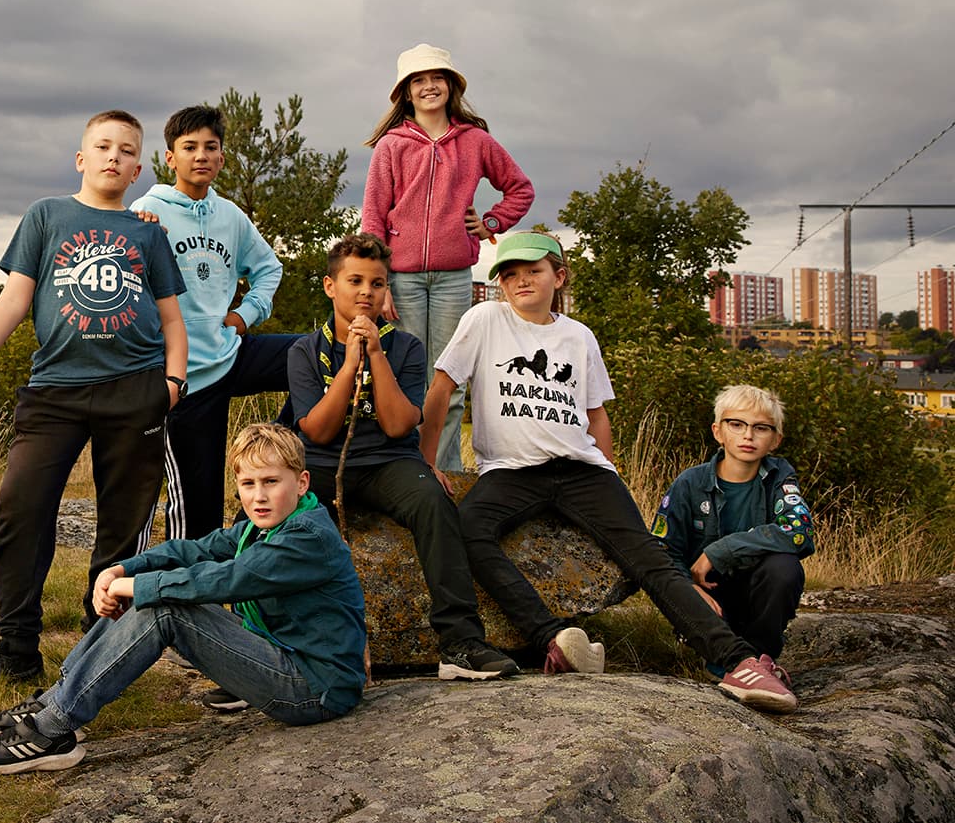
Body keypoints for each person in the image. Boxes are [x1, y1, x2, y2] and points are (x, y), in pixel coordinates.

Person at [423, 232, 799, 713]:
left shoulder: (578, 336)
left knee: (648, 558)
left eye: (533, 271)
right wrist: (427, 461)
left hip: (584, 471)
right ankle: (554, 637)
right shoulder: (485, 319)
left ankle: (738, 662)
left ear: (559, 277)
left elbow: (596, 412)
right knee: (467, 528)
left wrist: (611, 472)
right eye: (510, 274)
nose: (521, 281)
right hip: (511, 472)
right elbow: (443, 387)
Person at [0, 110, 189, 689]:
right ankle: (16, 649)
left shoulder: (148, 233)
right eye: (102, 146)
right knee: (19, 511)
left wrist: (173, 384)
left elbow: (171, 320)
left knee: (122, 526)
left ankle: (98, 647)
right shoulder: (46, 215)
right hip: (54, 390)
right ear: (81, 158)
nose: (113, 156)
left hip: (135, 392)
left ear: (137, 170)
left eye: (125, 150)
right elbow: (14, 298)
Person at [0, 424, 367, 775]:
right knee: (157, 593)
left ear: (301, 483)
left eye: (271, 482)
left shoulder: (306, 538)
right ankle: (58, 701)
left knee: (166, 608)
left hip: (314, 690)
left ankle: (52, 730)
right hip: (286, 660)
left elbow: (225, 579)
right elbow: (196, 550)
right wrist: (123, 569)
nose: (259, 496)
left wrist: (133, 587)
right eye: (248, 484)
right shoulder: (262, 527)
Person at [286, 232, 518, 683]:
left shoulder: (406, 347)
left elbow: (398, 425)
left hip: (388, 463)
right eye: (355, 281)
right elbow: (317, 430)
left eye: (377, 283)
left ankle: (460, 642)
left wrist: (375, 354)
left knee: (434, 502)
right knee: (264, 515)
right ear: (330, 286)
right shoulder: (305, 350)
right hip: (322, 464)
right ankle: (256, 647)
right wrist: (349, 366)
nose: (366, 293)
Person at [130, 103, 301, 541]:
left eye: (210, 147)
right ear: (170, 158)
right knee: (198, 508)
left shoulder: (230, 216)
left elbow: (269, 268)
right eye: (190, 147)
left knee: (317, 356)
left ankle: (277, 450)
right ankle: (194, 580)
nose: (201, 155)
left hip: (229, 351)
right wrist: (141, 234)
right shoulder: (148, 210)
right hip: (183, 376)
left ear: (222, 158)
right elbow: (129, 281)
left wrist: (244, 316)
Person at [361, 43, 533, 473]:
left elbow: (520, 189)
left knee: (449, 378)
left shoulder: (475, 141)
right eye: (418, 80)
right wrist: (379, 283)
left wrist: (490, 223)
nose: (429, 86)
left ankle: (447, 471)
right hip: (401, 279)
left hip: (455, 277)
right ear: (406, 91)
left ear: (451, 85)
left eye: (437, 77)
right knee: (404, 376)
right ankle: (405, 470)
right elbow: (373, 217)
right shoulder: (392, 146)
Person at [653, 385, 812, 677]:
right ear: (718, 431)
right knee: (677, 585)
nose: (748, 435)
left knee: (784, 567)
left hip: (756, 599)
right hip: (707, 603)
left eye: (761, 428)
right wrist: (688, 589)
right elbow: (661, 552)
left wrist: (720, 551)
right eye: (736, 424)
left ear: (775, 440)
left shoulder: (779, 477)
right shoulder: (689, 484)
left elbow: (798, 532)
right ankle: (723, 664)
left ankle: (760, 660)